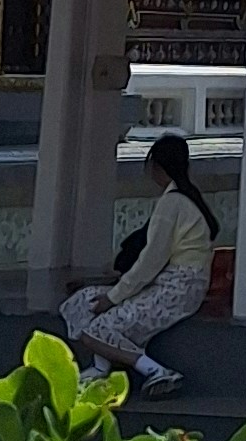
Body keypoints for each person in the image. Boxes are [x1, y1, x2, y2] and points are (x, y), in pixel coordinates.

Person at [60, 135, 218, 391]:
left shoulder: (173, 203)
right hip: (170, 284)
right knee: (84, 299)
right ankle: (101, 368)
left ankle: (156, 370)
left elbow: (150, 261)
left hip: (177, 289)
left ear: (155, 166)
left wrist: (113, 297)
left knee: (95, 331)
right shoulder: (184, 198)